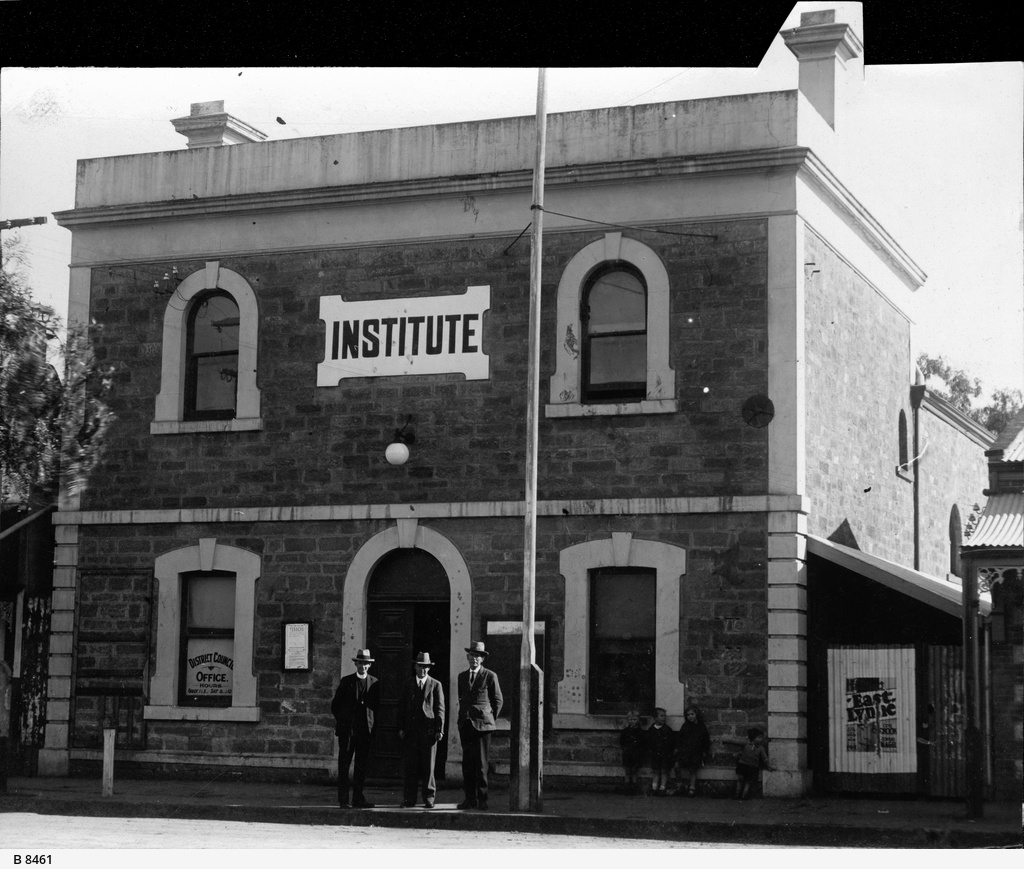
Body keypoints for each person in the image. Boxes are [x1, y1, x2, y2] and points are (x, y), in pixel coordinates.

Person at [330, 648, 380, 809]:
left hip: (364, 731)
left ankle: (358, 799)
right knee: (344, 765)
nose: (363, 666)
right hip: (348, 731)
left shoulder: (374, 683)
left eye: (366, 664)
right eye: (360, 663)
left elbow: (376, 707)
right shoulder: (347, 681)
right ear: (356, 664)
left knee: (361, 766)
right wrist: (344, 721)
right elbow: (335, 705)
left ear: (369, 665)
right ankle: (343, 800)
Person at [456, 640, 502, 810]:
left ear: (482, 659)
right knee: (467, 764)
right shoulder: (462, 677)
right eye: (472, 655)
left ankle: (482, 799)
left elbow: (498, 700)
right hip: (466, 725)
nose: (474, 659)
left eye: (478, 656)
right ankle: (469, 799)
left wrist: (489, 718)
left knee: (482, 764)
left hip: (483, 727)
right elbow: (462, 699)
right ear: (468, 657)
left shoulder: (490, 676)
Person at [398, 651, 446, 809]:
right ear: (415, 666)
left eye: (426, 667)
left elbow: (440, 709)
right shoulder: (408, 683)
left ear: (429, 668)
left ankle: (429, 798)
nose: (423, 670)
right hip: (411, 731)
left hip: (429, 732)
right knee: (411, 766)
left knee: (428, 766)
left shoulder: (435, 684)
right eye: (420, 666)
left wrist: (439, 729)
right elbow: (402, 708)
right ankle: (409, 798)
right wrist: (401, 728)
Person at [673, 705, 711, 797]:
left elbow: (706, 740)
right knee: (676, 767)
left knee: (692, 770)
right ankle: (679, 785)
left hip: (695, 752)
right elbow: (680, 738)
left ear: (696, 714)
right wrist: (677, 748)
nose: (690, 716)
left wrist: (705, 751)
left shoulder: (701, 727)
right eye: (688, 715)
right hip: (685, 752)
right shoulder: (685, 726)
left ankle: (692, 788)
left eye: (692, 714)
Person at [733, 727, 772, 800]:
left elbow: (765, 758)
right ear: (753, 738)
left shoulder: (761, 748)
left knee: (748, 781)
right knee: (740, 779)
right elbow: (740, 748)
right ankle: (737, 794)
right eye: (759, 737)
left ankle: (744, 795)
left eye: (761, 737)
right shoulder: (747, 745)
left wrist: (768, 766)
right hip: (743, 765)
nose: (761, 739)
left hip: (752, 767)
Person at [646, 707, 675, 795]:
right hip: (655, 753)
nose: (664, 718)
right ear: (655, 718)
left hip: (665, 754)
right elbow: (649, 742)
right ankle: (654, 787)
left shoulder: (668, 730)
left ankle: (663, 787)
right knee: (655, 770)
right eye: (661, 716)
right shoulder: (651, 730)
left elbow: (671, 742)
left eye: (664, 716)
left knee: (664, 770)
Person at [618, 708, 646, 794]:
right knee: (627, 770)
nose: (633, 721)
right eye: (631, 719)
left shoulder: (640, 732)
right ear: (628, 720)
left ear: (638, 720)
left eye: (635, 719)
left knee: (634, 770)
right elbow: (622, 741)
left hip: (636, 753)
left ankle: (634, 787)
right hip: (627, 753)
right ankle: (627, 787)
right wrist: (624, 749)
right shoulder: (625, 731)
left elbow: (643, 743)